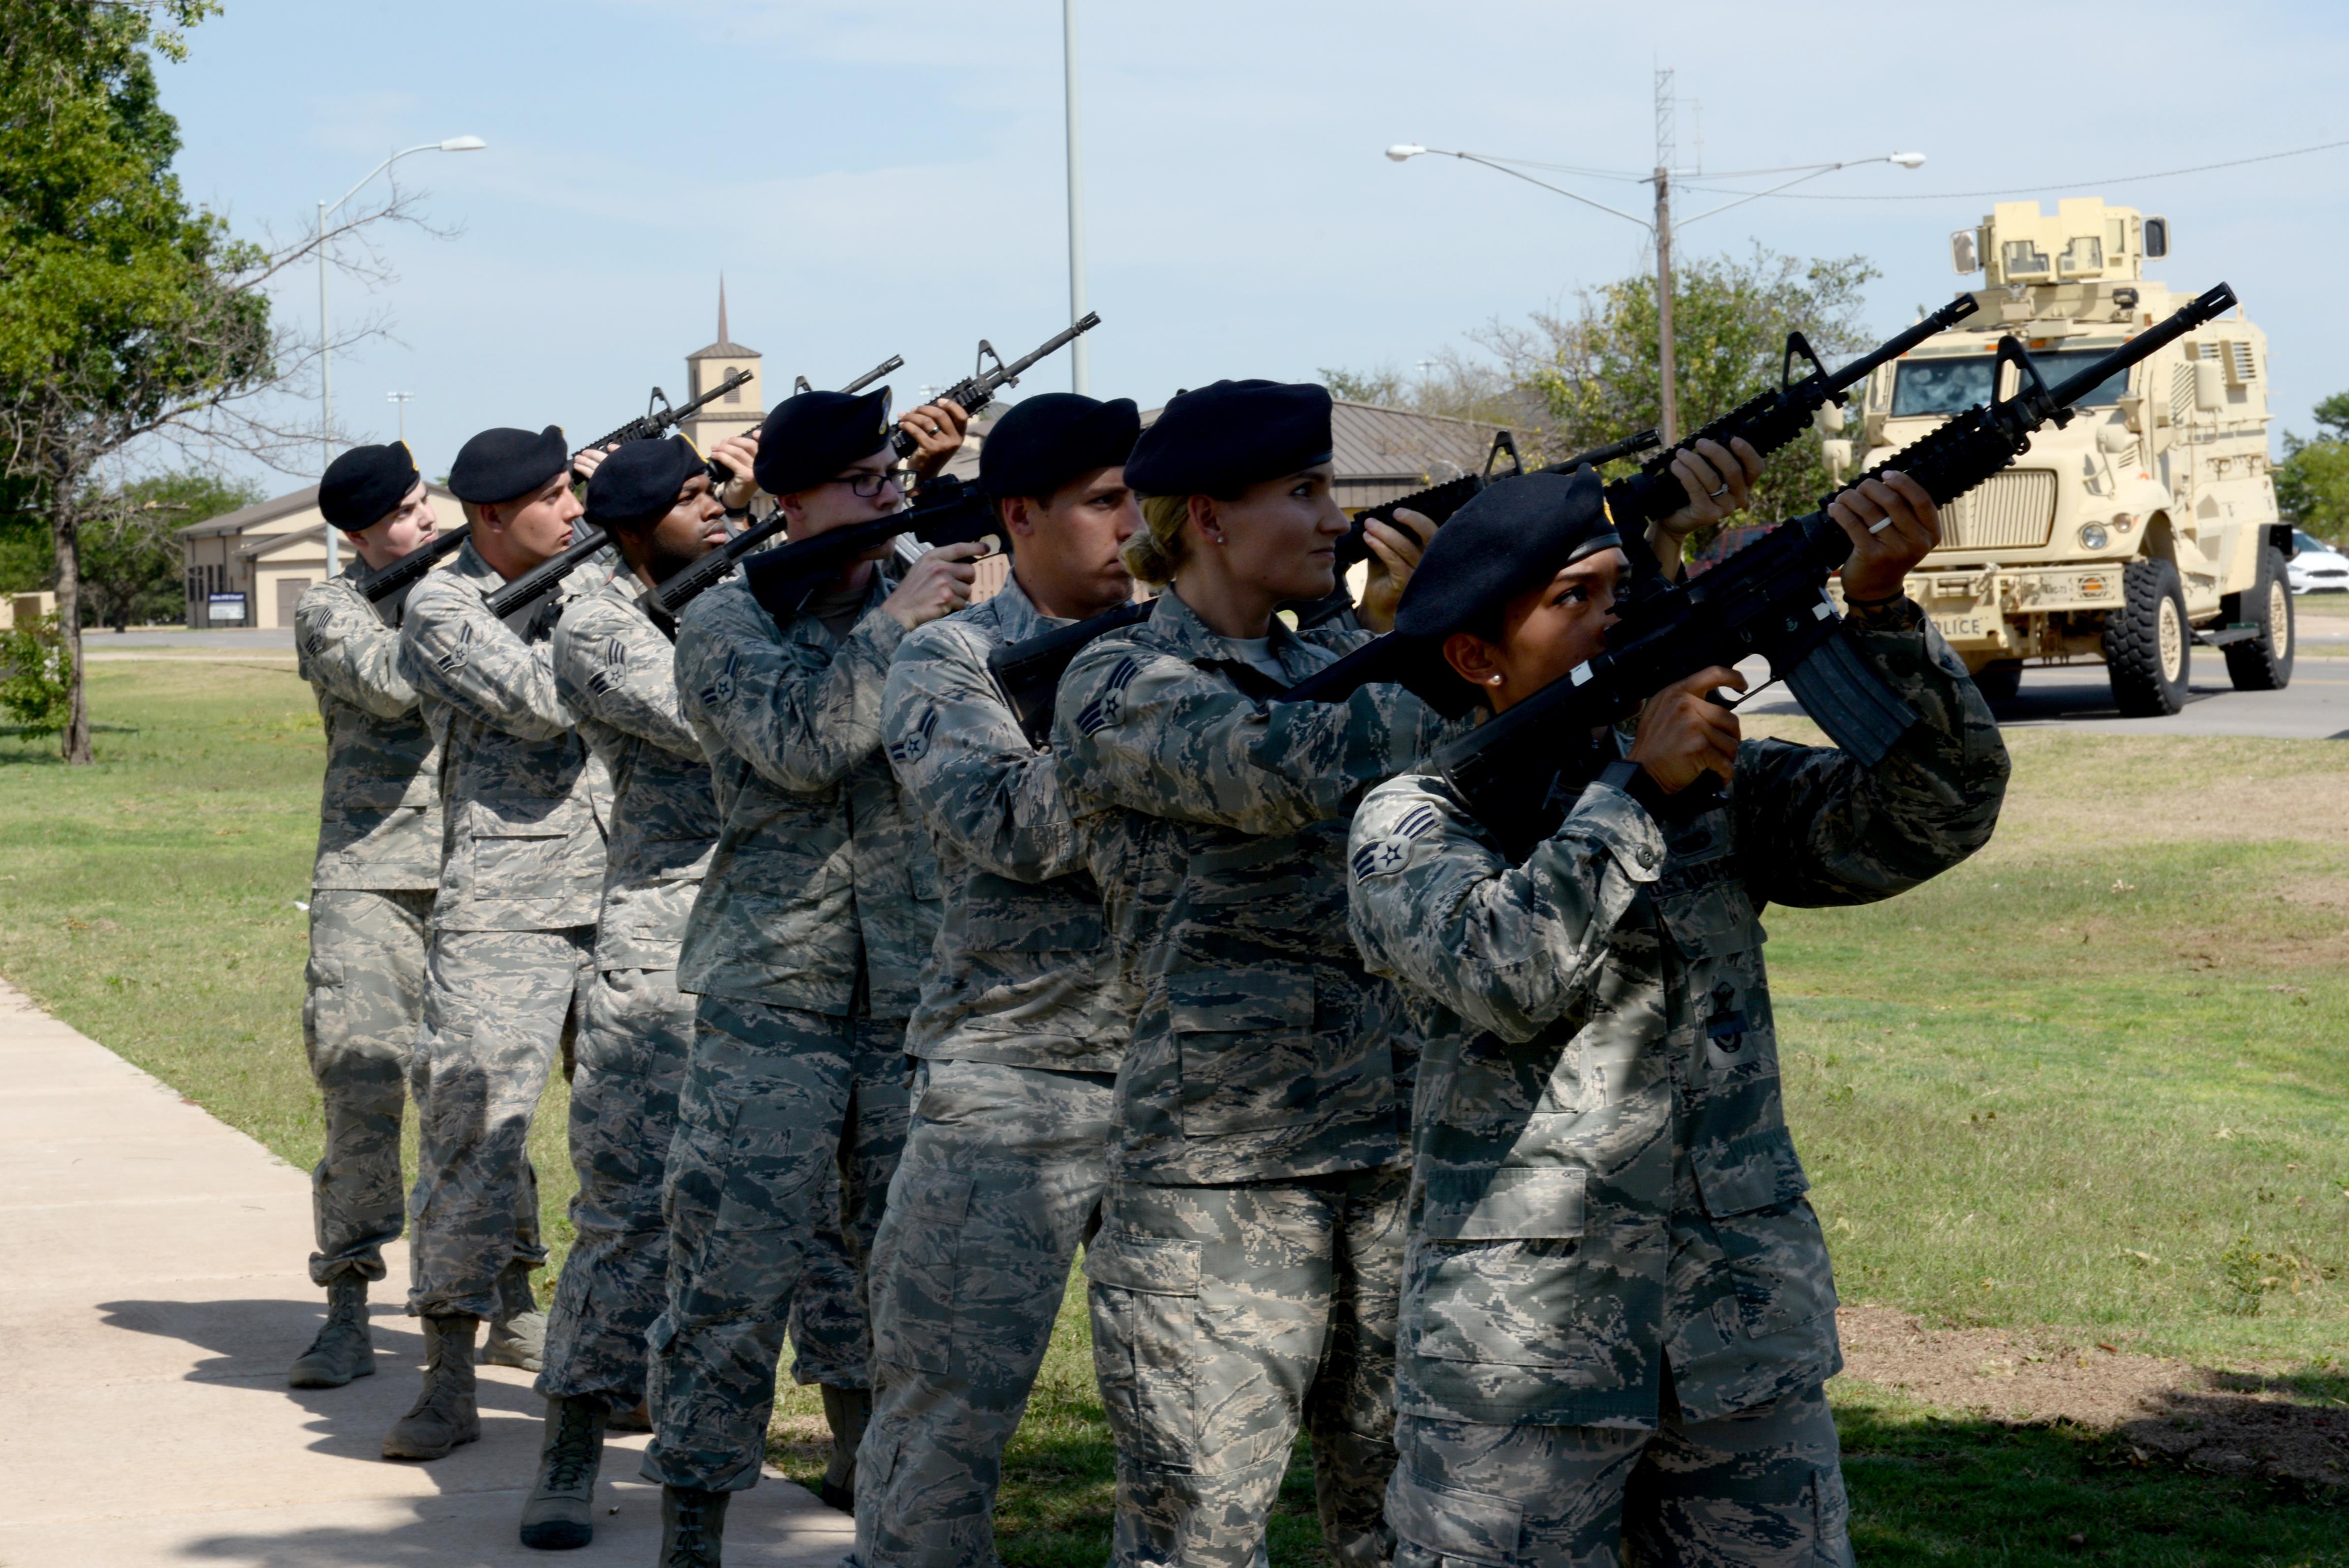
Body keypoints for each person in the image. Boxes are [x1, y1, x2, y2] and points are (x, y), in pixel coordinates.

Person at [1342, 466, 2009, 1568]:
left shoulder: (1716, 784)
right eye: (1575, 599)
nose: (1618, 616)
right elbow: (1505, 971)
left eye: (1619, 589)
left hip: (1738, 1341)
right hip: (1521, 1364)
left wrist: (1880, 611)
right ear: (1476, 657)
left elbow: (1933, 811)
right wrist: (1637, 797)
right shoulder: (1414, 819)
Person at [1049, 379, 1446, 1568]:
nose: (1339, 518)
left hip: (1394, 1154)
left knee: (1405, 1523)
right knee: (1199, 1538)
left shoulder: (1348, 655)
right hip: (1218, 1187)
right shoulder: (1116, 686)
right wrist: (1426, 638)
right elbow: (1296, 765)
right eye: (1307, 491)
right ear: (1211, 519)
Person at [644, 385, 972, 1565]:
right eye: (862, 484)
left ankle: (885, 1511)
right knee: (730, 1282)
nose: (889, 496)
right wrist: (901, 634)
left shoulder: (922, 592)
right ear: (790, 505)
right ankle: (692, 1528)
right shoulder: (724, 623)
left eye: (893, 476)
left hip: (913, 999)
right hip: (773, 994)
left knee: (907, 1289)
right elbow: (801, 745)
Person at [861, 392, 1144, 1568]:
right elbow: (1019, 829)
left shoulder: (1188, 638)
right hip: (1006, 1085)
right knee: (941, 1430)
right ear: (1020, 515)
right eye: (1105, 502)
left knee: (1191, 1446)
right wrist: (1156, 701)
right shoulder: (944, 662)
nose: (1136, 524)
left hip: (1186, 1085)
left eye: (1141, 496)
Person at [517, 435, 739, 1548]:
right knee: (625, 1211)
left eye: (720, 489)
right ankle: (567, 1449)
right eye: (696, 498)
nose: (719, 509)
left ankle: (846, 1438)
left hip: (770, 935)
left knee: (806, 1220)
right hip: (657, 945)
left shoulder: (744, 585)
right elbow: (721, 721)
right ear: (639, 522)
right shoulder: (595, 621)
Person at [385, 426, 613, 1462]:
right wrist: (609, 581)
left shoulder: (595, 570)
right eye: (556, 496)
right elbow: (544, 703)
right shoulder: (440, 607)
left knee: (633, 1150)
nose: (574, 509)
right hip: (504, 909)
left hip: (625, 895)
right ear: (489, 516)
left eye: (578, 493)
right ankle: (446, 1376)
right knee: (475, 1140)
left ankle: (619, 1363)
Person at [285, 443, 445, 1390]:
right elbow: (390, 682)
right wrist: (466, 598)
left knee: (476, 1100)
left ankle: (505, 1300)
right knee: (361, 1087)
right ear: (357, 534)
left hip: (478, 873)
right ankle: (346, 1304)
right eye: (404, 514)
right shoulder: (329, 608)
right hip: (368, 877)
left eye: (429, 504)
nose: (426, 522)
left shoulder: (474, 580)